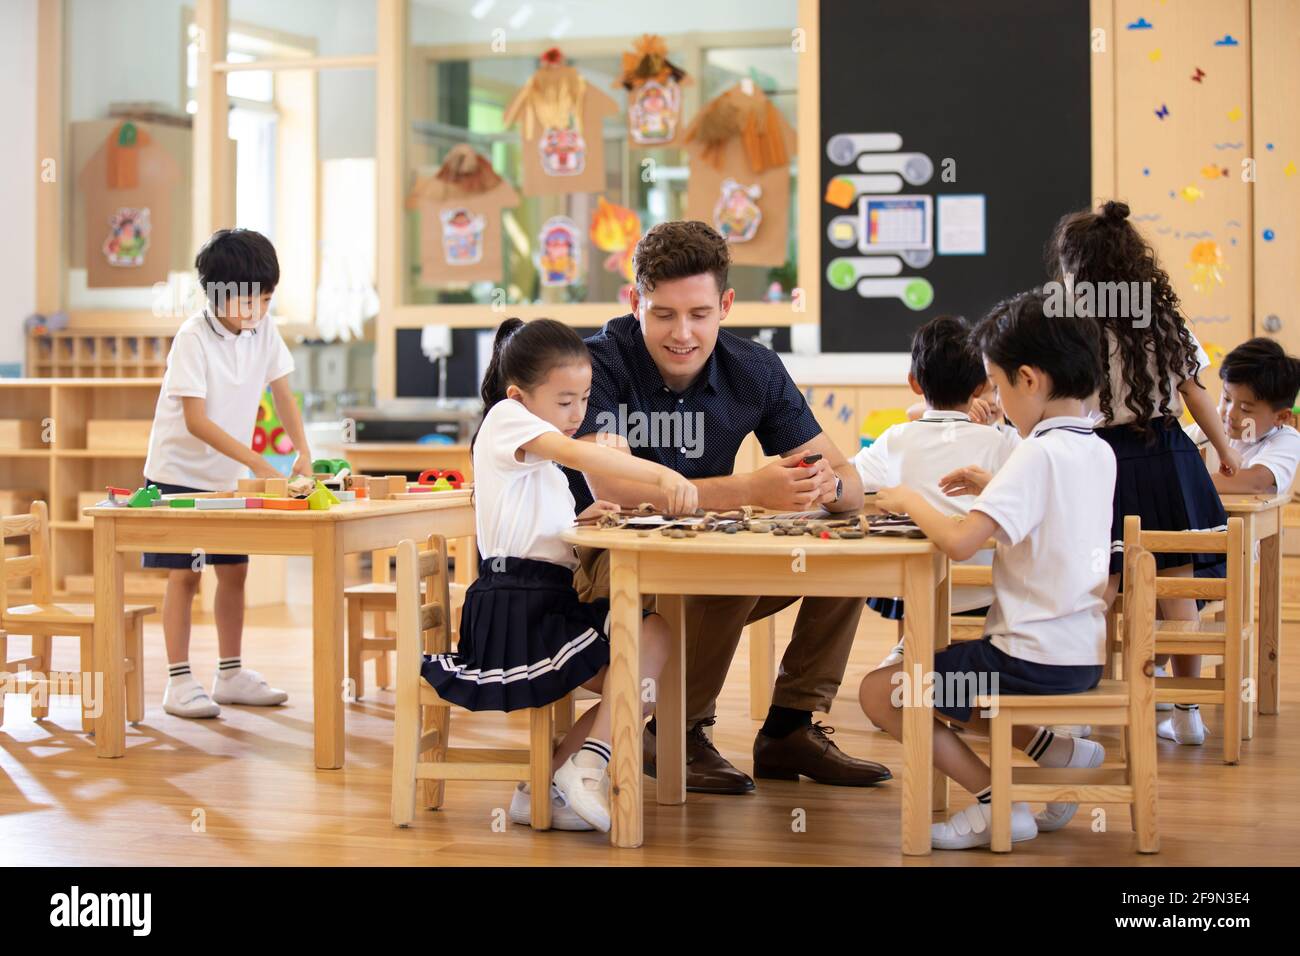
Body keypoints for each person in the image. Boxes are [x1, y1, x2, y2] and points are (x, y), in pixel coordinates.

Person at [566, 220, 890, 792]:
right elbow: (610, 491)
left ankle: (790, 727)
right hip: (601, 568)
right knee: (728, 570)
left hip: (698, 558)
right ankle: (674, 731)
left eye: (699, 314)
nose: (682, 333)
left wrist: (826, 490)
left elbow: (848, 479)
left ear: (726, 305)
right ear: (635, 300)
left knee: (846, 543)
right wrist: (748, 491)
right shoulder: (600, 361)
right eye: (662, 314)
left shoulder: (755, 368)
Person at [861, 290, 1114, 850]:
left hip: (1026, 657)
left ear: (1028, 379)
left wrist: (906, 499)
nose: (994, 400)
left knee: (884, 693)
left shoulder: (1035, 453)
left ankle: (996, 800)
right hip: (1078, 655)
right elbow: (1052, 516)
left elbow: (956, 541)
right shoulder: (1095, 449)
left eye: (997, 386)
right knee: (953, 684)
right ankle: (1058, 751)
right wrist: (993, 488)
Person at [423, 317, 697, 832]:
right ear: (519, 396)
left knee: (653, 638)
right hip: (514, 609)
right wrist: (662, 474)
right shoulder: (506, 419)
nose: (577, 414)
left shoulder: (539, 459)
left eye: (585, 398)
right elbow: (576, 451)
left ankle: (553, 780)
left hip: (545, 600)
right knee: (642, 654)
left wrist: (574, 522)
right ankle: (586, 768)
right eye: (564, 401)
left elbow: (528, 523)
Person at [1047, 200, 1241, 746]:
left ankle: (1083, 707)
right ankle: (1186, 713)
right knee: (1177, 586)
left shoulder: (1069, 320)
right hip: (1167, 455)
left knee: (1098, 589)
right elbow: (1193, 390)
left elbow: (1058, 402)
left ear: (1077, 264)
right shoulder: (1161, 312)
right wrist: (1226, 451)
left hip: (1098, 460)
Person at [142, 228, 311, 718]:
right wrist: (258, 461)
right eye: (246, 299)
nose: (256, 308)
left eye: (266, 297)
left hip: (225, 477)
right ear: (216, 293)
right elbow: (195, 421)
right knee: (185, 576)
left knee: (234, 570)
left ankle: (230, 673)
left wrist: (302, 451)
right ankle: (177, 682)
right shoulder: (193, 338)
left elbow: (283, 394)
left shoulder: (265, 330)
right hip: (178, 474)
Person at [853, 314, 1021, 665]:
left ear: (914, 383)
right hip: (984, 594)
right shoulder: (1002, 443)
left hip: (913, 593)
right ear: (980, 387)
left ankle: (908, 651)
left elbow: (848, 484)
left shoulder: (896, 439)